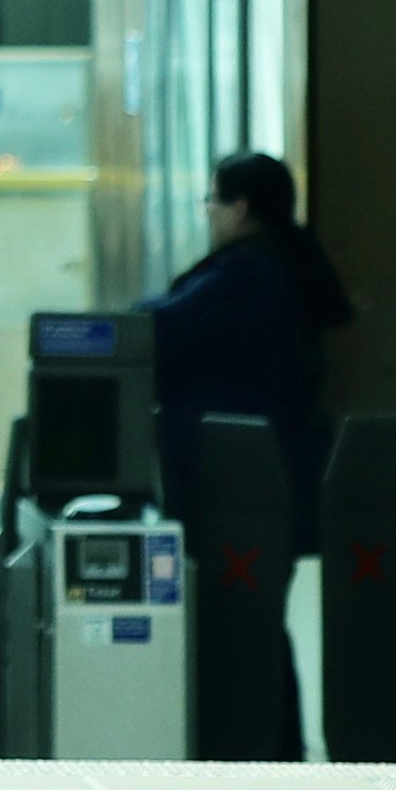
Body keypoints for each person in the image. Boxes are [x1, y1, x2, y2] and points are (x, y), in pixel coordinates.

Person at [147, 148, 353, 556]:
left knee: (234, 602)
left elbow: (161, 326)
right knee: (255, 598)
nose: (208, 212)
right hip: (273, 462)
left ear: (239, 208)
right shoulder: (291, 262)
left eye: (212, 201)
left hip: (230, 469)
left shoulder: (248, 272)